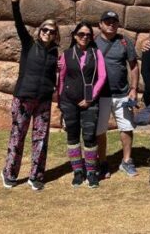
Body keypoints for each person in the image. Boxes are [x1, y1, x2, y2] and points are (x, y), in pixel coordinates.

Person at [1, 0, 59, 191]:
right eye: (45, 29)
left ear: (55, 35)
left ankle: (36, 176)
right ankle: (9, 173)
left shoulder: (54, 53)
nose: (48, 33)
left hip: (43, 101)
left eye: (52, 31)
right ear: (39, 31)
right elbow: (19, 24)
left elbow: (55, 75)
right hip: (24, 98)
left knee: (41, 139)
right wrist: (15, 3)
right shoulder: (29, 45)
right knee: (18, 137)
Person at [58, 22, 107, 189]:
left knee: (89, 136)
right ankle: (78, 171)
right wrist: (60, 100)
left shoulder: (96, 53)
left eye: (88, 34)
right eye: (81, 34)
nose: (85, 37)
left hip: (89, 102)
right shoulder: (66, 54)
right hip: (69, 101)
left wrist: (90, 97)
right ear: (74, 36)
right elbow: (62, 79)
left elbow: (102, 77)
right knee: (72, 136)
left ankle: (92, 171)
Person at [94, 10, 139, 178]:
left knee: (126, 128)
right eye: (107, 21)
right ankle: (103, 162)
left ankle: (126, 161)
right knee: (100, 130)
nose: (111, 24)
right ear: (100, 24)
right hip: (101, 95)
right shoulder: (93, 42)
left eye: (114, 21)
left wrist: (134, 89)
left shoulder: (124, 42)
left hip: (122, 94)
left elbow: (133, 66)